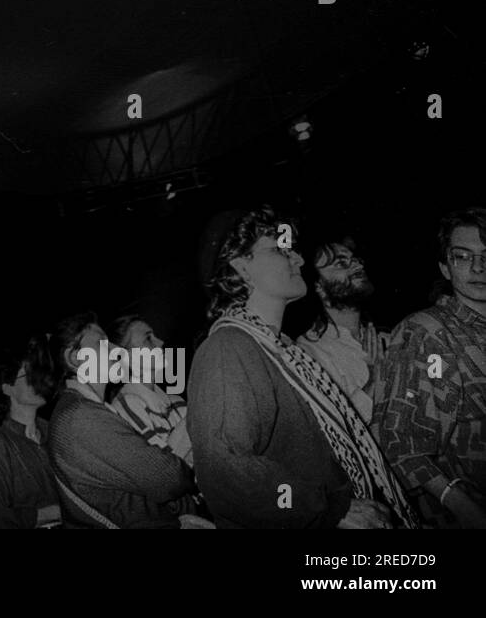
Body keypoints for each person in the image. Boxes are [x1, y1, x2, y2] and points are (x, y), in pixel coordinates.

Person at [188, 207, 414, 529]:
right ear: (241, 266)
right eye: (281, 249)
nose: (298, 259)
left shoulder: (284, 352)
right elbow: (225, 472)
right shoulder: (229, 348)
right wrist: (327, 509)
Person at [370, 208, 486, 528]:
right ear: (445, 267)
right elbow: (396, 441)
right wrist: (459, 503)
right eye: (462, 256)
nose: (478, 267)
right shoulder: (424, 332)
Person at [48, 315, 197, 528]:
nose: (115, 350)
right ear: (75, 358)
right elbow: (167, 478)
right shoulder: (81, 417)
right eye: (102, 343)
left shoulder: (87, 410)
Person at [295, 239, 388, 424]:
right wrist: (374, 380)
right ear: (318, 286)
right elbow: (334, 429)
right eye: (341, 263)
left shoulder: (384, 336)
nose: (357, 264)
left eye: (355, 259)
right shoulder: (309, 351)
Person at [0, 337, 62, 528]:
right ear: (7, 388)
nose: (40, 381)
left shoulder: (56, 431)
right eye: (30, 375)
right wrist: (51, 513)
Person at [109, 315, 193, 467]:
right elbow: (164, 468)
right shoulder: (126, 406)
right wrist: (198, 412)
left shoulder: (177, 401)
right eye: (148, 339)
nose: (160, 343)